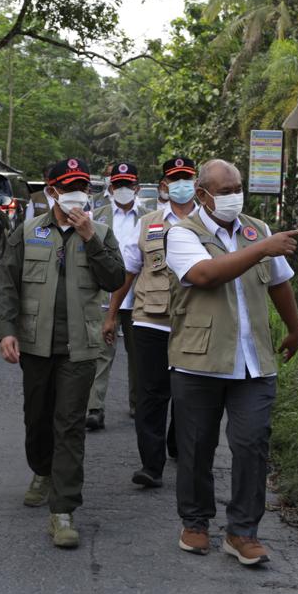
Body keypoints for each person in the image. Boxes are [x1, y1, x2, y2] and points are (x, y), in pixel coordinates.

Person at [164, 158, 298, 566]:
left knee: (251, 443)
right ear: (203, 194)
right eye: (225, 191)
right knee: (196, 446)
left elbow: (279, 282)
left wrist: (294, 329)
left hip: (253, 361)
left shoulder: (256, 230)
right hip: (199, 360)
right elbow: (205, 274)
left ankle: (242, 532)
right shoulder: (181, 233)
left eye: (237, 187)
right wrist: (263, 247)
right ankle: (195, 521)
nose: (233, 196)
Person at [0, 157, 125, 549]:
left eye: (82, 186)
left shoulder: (100, 232)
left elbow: (116, 278)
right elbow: (7, 286)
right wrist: (6, 331)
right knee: (37, 419)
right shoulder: (28, 231)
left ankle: (63, 511)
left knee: (69, 425)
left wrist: (91, 240)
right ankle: (42, 469)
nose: (76, 194)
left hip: (80, 348)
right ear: (51, 190)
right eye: (68, 186)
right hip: (36, 344)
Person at [106, 156, 198, 488]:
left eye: (187, 177)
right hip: (150, 318)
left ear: (196, 183)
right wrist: (112, 312)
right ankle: (151, 465)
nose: (181, 184)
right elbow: (129, 271)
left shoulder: (209, 223)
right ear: (164, 186)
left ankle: (176, 443)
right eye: (175, 179)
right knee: (151, 393)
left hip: (194, 320)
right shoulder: (149, 223)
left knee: (186, 392)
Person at [85, 161, 144, 430]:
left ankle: (138, 404)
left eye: (128, 185)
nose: (123, 189)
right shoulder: (95, 216)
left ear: (137, 187)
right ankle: (94, 407)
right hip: (104, 296)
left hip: (139, 298)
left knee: (139, 356)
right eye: (118, 185)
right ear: (111, 187)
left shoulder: (150, 218)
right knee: (101, 352)